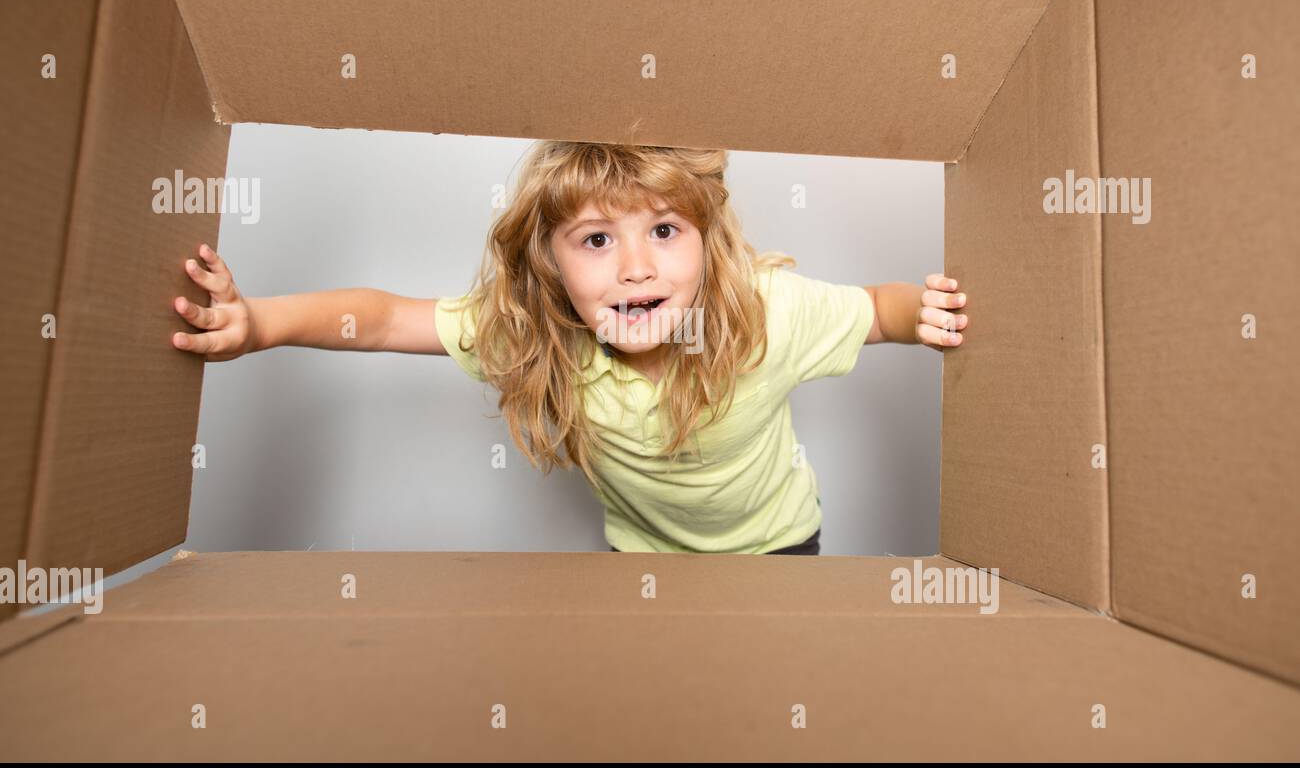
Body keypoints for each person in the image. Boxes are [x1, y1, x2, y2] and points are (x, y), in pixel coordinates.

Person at [171, 141, 969, 554]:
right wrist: (260, 325)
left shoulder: (761, 314)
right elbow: (383, 320)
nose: (635, 267)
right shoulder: (539, 336)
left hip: (780, 542)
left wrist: (923, 310)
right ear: (550, 261)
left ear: (707, 240)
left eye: (663, 230)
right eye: (595, 239)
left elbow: (874, 310)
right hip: (643, 554)